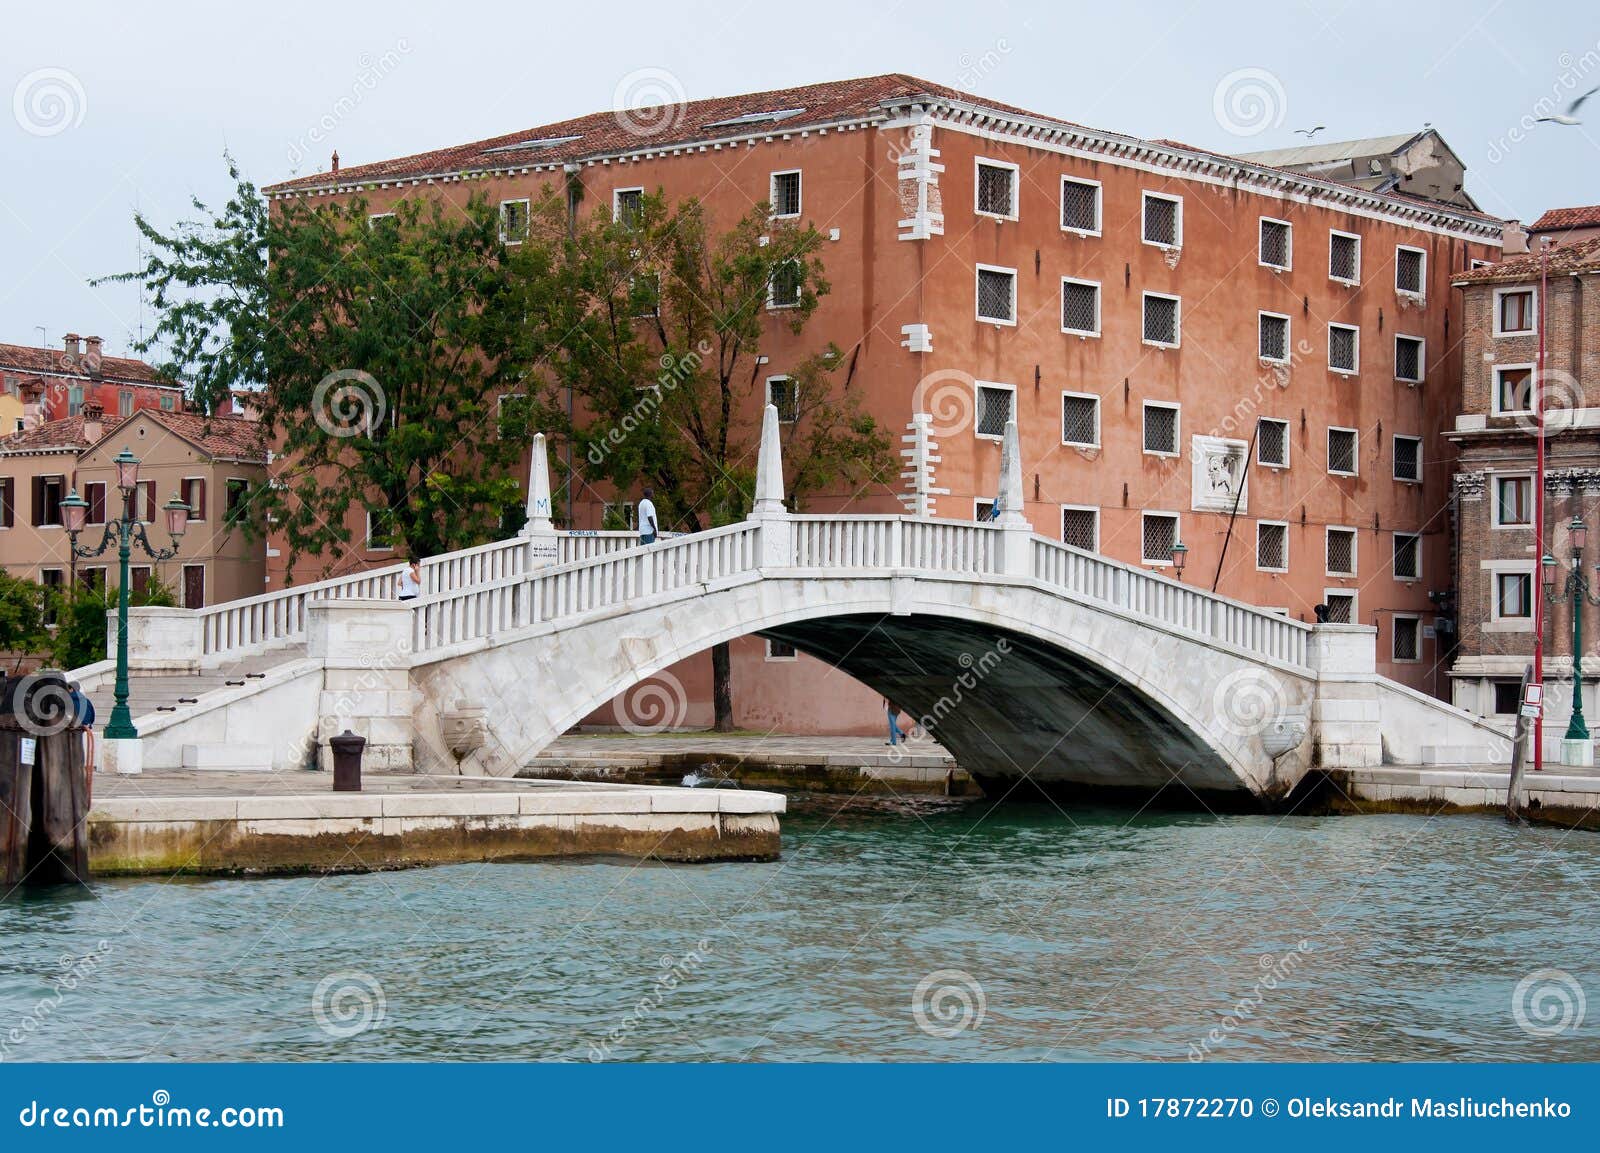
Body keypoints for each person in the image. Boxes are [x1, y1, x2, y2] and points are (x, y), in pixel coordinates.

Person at [69, 681, 95, 805]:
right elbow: (92, 716)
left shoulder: (67, 701)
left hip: (71, 729)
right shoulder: (87, 700)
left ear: (70, 689)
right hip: (84, 728)